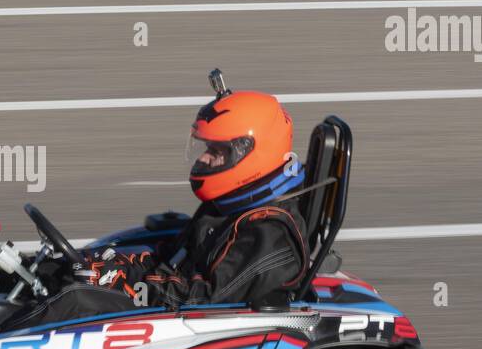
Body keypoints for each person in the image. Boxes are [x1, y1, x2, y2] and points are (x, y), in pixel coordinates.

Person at [80, 72, 310, 307]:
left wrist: (123, 282)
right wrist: (115, 264)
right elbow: (175, 258)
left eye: (217, 152)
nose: (204, 158)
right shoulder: (222, 208)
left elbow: (199, 299)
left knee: (74, 301)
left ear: (252, 154)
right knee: (62, 269)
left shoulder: (269, 234)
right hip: (168, 304)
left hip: (192, 326)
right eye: (207, 148)